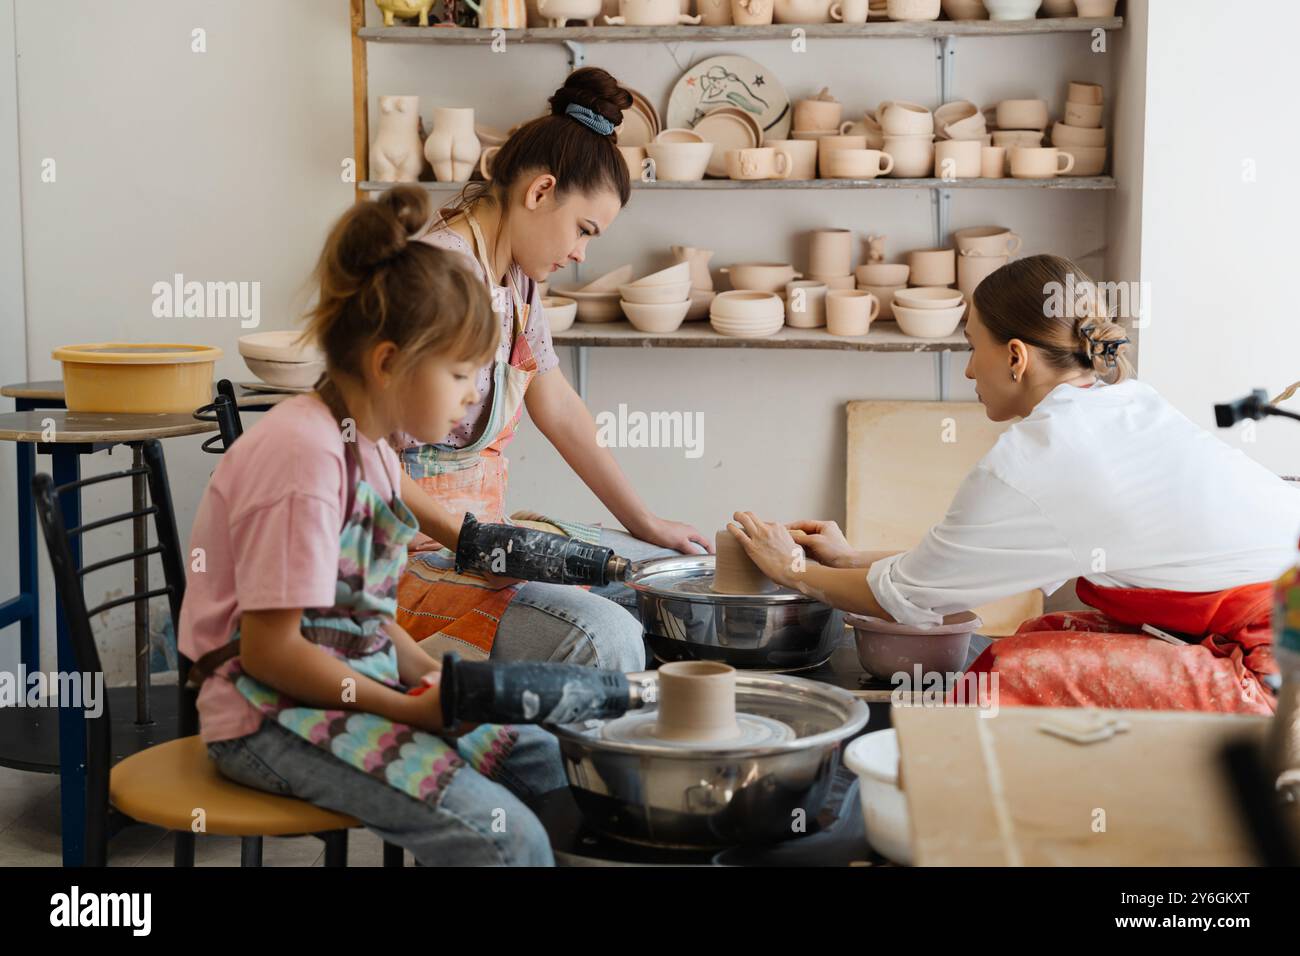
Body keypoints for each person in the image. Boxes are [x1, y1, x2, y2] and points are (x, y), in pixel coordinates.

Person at [178, 186, 565, 865]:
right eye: (460, 374)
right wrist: (407, 708)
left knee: (542, 760)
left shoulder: (373, 447)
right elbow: (271, 652)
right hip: (261, 710)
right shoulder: (304, 454)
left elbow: (358, 612)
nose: (477, 394)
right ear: (389, 362)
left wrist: (430, 676)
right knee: (509, 840)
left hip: (343, 670)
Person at [728, 255, 1300, 714]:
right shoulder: (1121, 403)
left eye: (972, 347)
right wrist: (850, 558)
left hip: (1277, 671)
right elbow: (956, 567)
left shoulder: (1038, 462)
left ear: (1017, 357)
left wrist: (792, 572)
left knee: (1012, 672)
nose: (971, 369)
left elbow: (910, 597)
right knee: (1041, 634)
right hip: (1254, 627)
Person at [392, 67, 707, 667]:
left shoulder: (516, 279)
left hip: (483, 538)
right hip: (407, 553)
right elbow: (360, 454)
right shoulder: (434, 276)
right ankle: (549, 755)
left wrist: (645, 522)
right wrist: (475, 542)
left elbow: (556, 403)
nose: (581, 253)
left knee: (665, 579)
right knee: (607, 636)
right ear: (539, 192)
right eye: (583, 230)